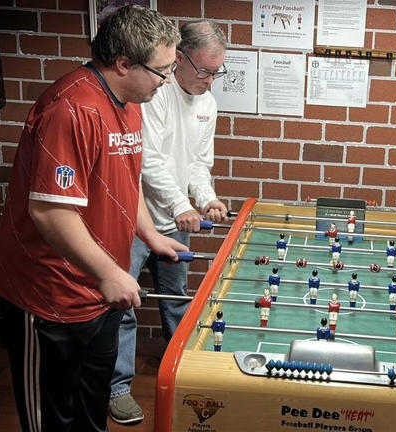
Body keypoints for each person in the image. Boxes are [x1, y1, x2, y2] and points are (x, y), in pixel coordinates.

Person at [0, 6, 183, 432]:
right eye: (162, 71)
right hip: (49, 293)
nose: (167, 82)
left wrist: (150, 234)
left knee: (92, 402)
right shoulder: (70, 108)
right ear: (123, 63)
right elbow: (51, 212)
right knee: (53, 414)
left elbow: (124, 184)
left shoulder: (131, 103)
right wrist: (110, 272)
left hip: (99, 288)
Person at [109, 18, 229, 423]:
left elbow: (198, 163)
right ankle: (118, 387)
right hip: (135, 217)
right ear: (179, 59)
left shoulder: (207, 103)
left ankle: (182, 371)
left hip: (177, 221)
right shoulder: (154, 94)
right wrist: (181, 204)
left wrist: (207, 198)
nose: (211, 81)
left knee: (176, 299)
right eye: (205, 71)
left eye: (217, 71)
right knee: (123, 303)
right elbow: (148, 160)